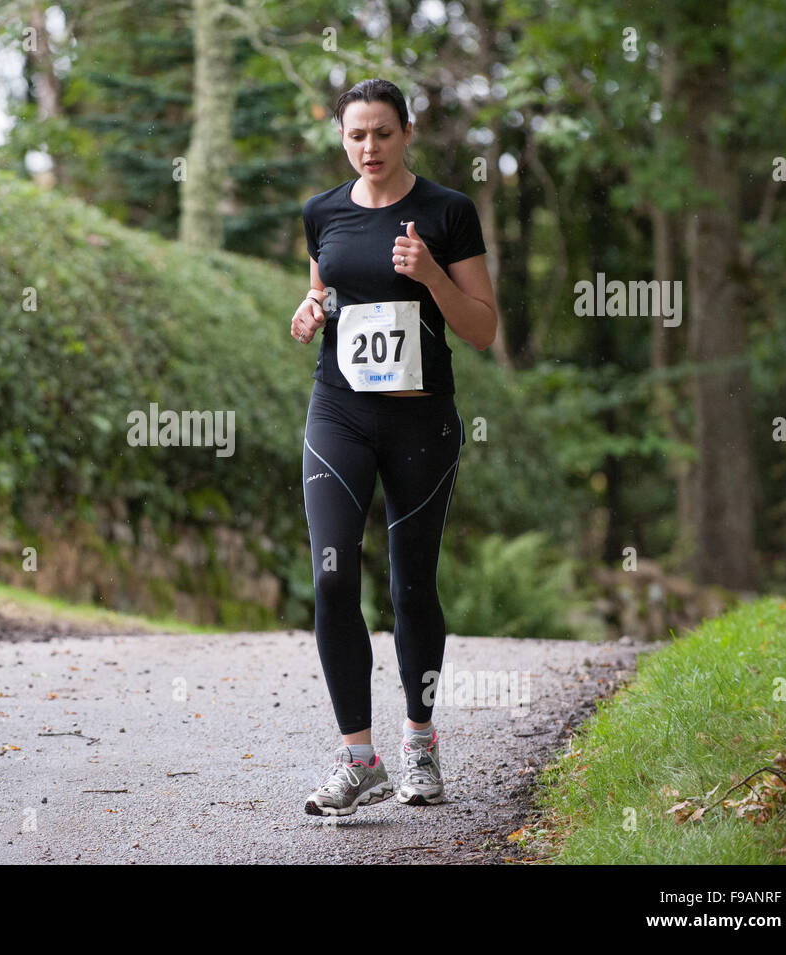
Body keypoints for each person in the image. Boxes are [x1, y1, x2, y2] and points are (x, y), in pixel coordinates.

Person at [293, 79, 498, 816]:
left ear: (408, 132)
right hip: (339, 415)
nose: (369, 148)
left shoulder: (447, 213)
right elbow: (329, 288)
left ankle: (419, 746)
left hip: (420, 423)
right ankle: (358, 758)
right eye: (356, 136)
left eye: (382, 133)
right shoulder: (322, 212)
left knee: (411, 587)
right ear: (342, 139)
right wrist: (311, 307)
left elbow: (482, 330)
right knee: (331, 575)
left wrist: (433, 275)